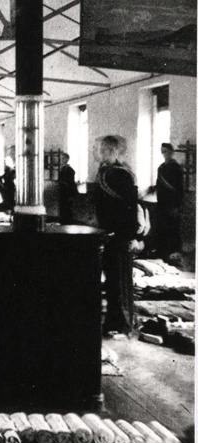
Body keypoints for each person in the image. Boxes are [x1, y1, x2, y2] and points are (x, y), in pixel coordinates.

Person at [96, 135, 141, 336]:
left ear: (111, 151)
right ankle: (113, 320)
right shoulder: (104, 172)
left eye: (101, 149)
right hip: (108, 233)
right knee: (112, 280)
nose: (98, 152)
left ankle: (123, 322)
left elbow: (130, 206)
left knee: (121, 279)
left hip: (121, 234)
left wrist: (131, 235)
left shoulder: (123, 175)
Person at [152, 143, 184, 258]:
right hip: (162, 202)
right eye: (162, 151)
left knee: (173, 228)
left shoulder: (176, 168)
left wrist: (177, 205)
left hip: (172, 203)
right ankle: (162, 252)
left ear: (171, 152)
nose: (164, 154)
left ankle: (174, 254)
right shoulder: (161, 167)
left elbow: (179, 188)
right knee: (161, 227)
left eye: (166, 151)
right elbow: (158, 183)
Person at [58, 153, 78, 224]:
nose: (60, 160)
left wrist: (70, 195)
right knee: (62, 210)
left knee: (66, 210)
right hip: (62, 193)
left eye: (62, 158)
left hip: (67, 193)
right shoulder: (62, 168)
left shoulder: (69, 170)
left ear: (67, 159)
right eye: (60, 158)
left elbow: (70, 183)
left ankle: (66, 224)